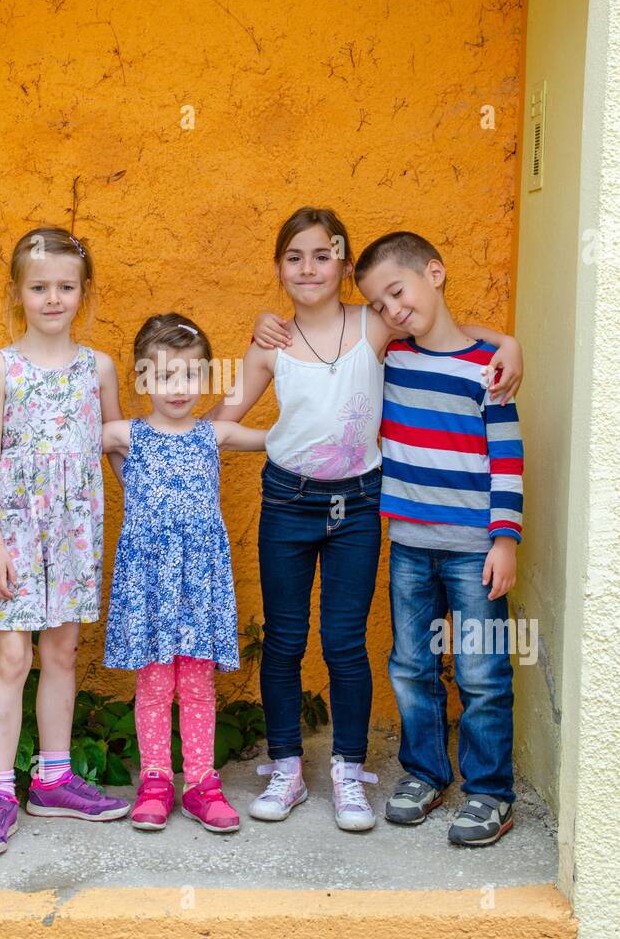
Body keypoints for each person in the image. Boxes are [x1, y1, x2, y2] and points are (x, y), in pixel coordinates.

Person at [223, 206, 522, 832]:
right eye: (294, 257)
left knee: (345, 643)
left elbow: (454, 332)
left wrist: (508, 342)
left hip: (358, 507)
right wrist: (137, 438)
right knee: (283, 640)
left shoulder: (374, 325)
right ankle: (287, 769)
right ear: (278, 268)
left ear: (342, 264)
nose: (308, 267)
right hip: (286, 502)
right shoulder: (269, 342)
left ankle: (348, 770)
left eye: (322, 255)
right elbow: (223, 420)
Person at [0, 226, 129, 856]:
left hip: (75, 531)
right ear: (19, 293)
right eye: (40, 287)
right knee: (12, 656)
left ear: (83, 293)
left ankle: (54, 780)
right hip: (15, 531)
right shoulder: (0, 368)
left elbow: (114, 445)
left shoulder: (99, 367)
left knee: (62, 653)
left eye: (65, 287)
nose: (53, 298)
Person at [355, 232, 523, 846]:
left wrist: (505, 540)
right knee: (412, 665)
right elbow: (329, 324)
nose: (392, 310)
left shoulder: (489, 366)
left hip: (476, 547)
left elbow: (506, 456)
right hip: (409, 545)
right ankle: (426, 774)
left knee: (482, 671)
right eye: (378, 304)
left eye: (397, 291)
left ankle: (490, 793)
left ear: (435, 272)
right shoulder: (391, 356)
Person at [101, 314, 269, 833]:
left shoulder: (214, 434)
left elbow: (283, 438)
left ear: (206, 378)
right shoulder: (123, 434)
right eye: (164, 376)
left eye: (191, 376)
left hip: (199, 582)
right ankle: (155, 781)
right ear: (142, 380)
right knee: (153, 686)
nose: (178, 388)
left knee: (196, 685)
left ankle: (200, 783)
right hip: (148, 581)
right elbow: (54, 436)